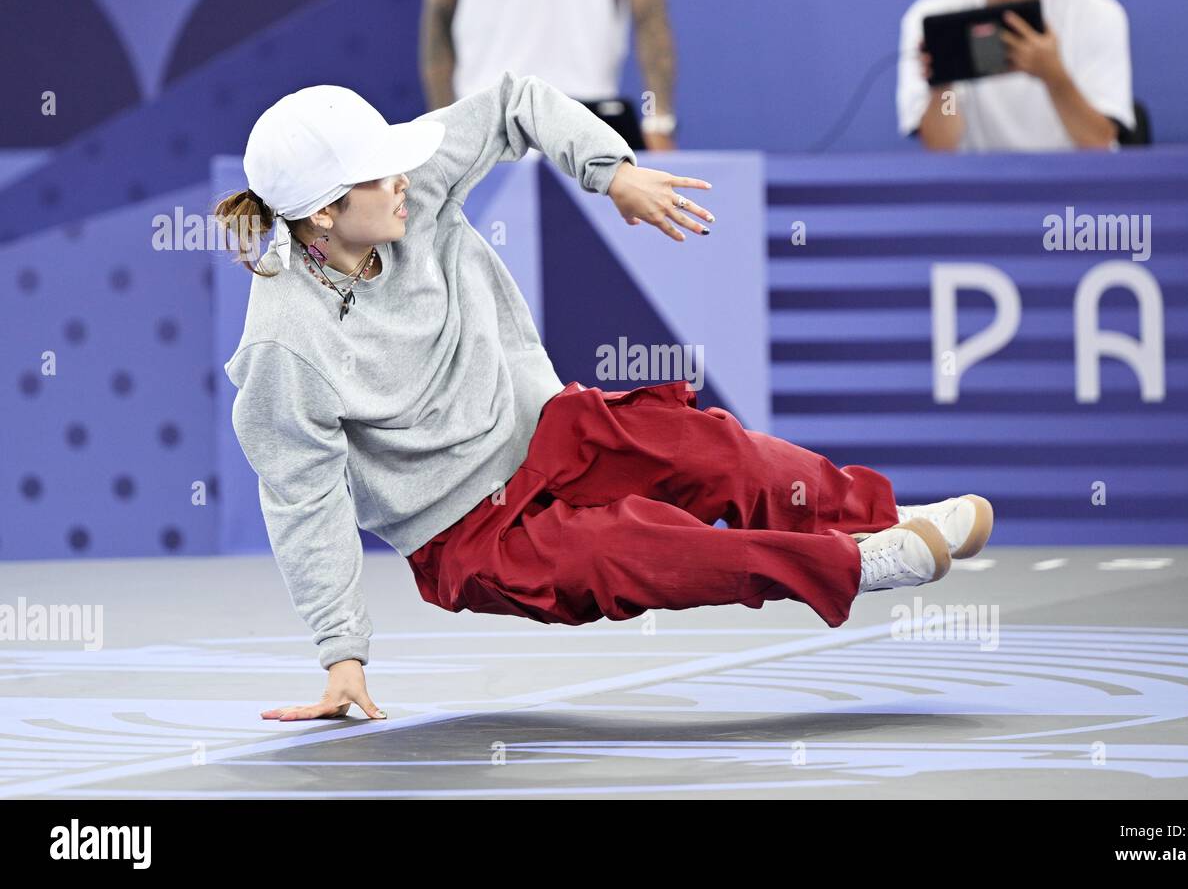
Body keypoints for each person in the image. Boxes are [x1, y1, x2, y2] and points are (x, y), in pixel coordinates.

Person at [215, 69, 994, 722]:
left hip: (551, 432)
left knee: (710, 446)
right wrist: (341, 655)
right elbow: (303, 500)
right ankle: (855, 564)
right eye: (379, 175)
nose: (402, 183)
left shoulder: (407, 188)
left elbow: (515, 100)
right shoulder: (284, 346)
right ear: (323, 211)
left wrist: (611, 172)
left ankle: (878, 516)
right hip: (470, 536)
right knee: (639, 547)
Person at [420, 0, 679, 151]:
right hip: (485, 112)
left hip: (585, 114)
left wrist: (658, 121)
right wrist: (443, 124)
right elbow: (439, 13)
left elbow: (650, 13)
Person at [897, 0, 1135, 152]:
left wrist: (1055, 77)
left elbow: (1098, 142)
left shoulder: (1097, 14)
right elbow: (940, 148)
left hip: (1074, 183)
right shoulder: (933, 18)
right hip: (980, 186)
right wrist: (941, 85)